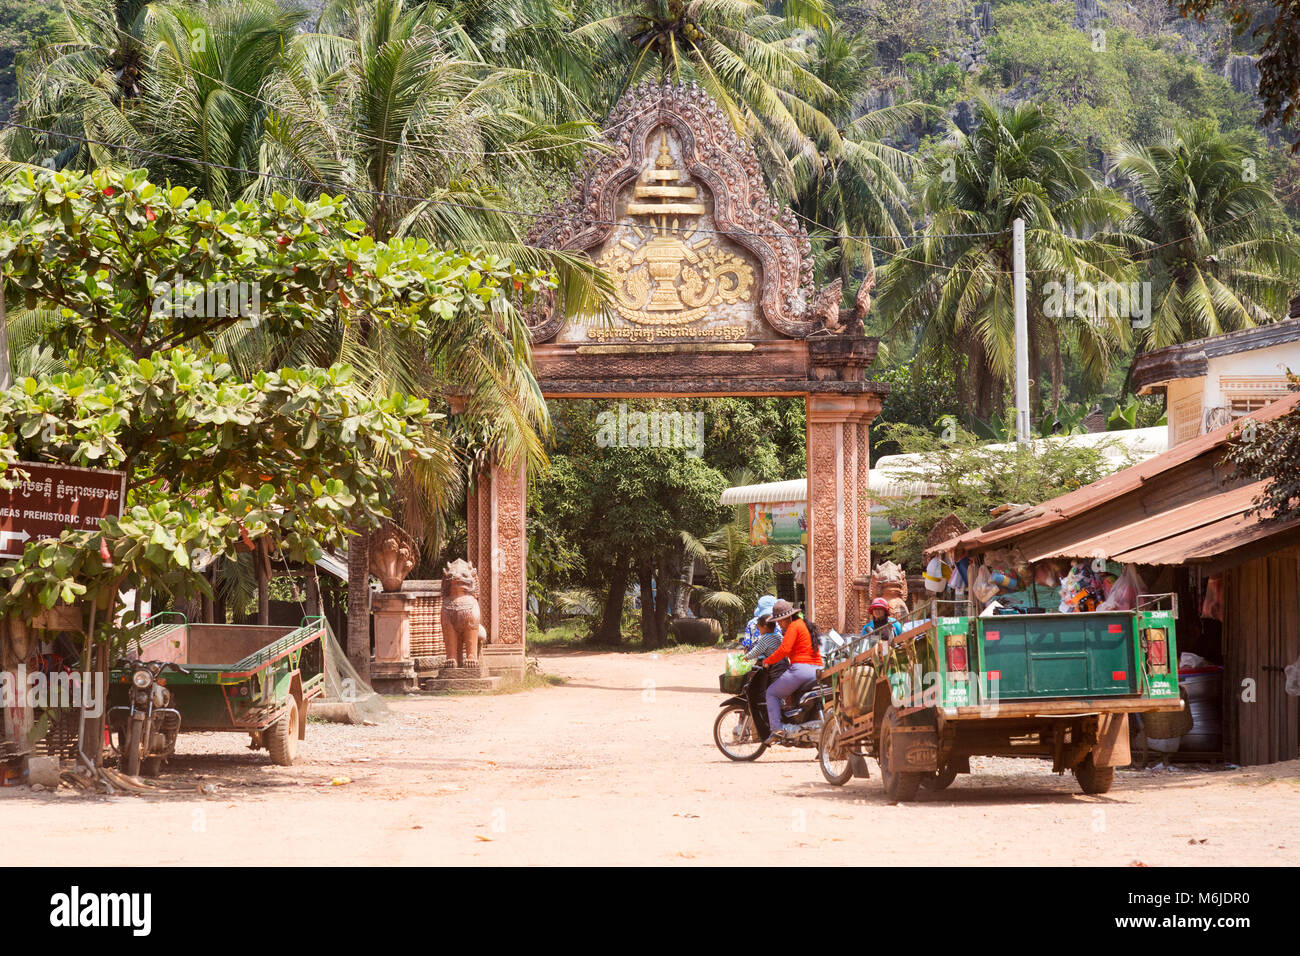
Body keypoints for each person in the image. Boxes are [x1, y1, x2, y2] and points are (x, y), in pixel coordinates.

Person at [761, 599, 821, 743]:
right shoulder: (803, 625)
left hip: (801, 669)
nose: (780, 624)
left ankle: (776, 729)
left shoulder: (793, 626)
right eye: (778, 622)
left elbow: (784, 649)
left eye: (781, 620)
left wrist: (767, 661)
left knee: (772, 693)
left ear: (788, 617)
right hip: (817, 669)